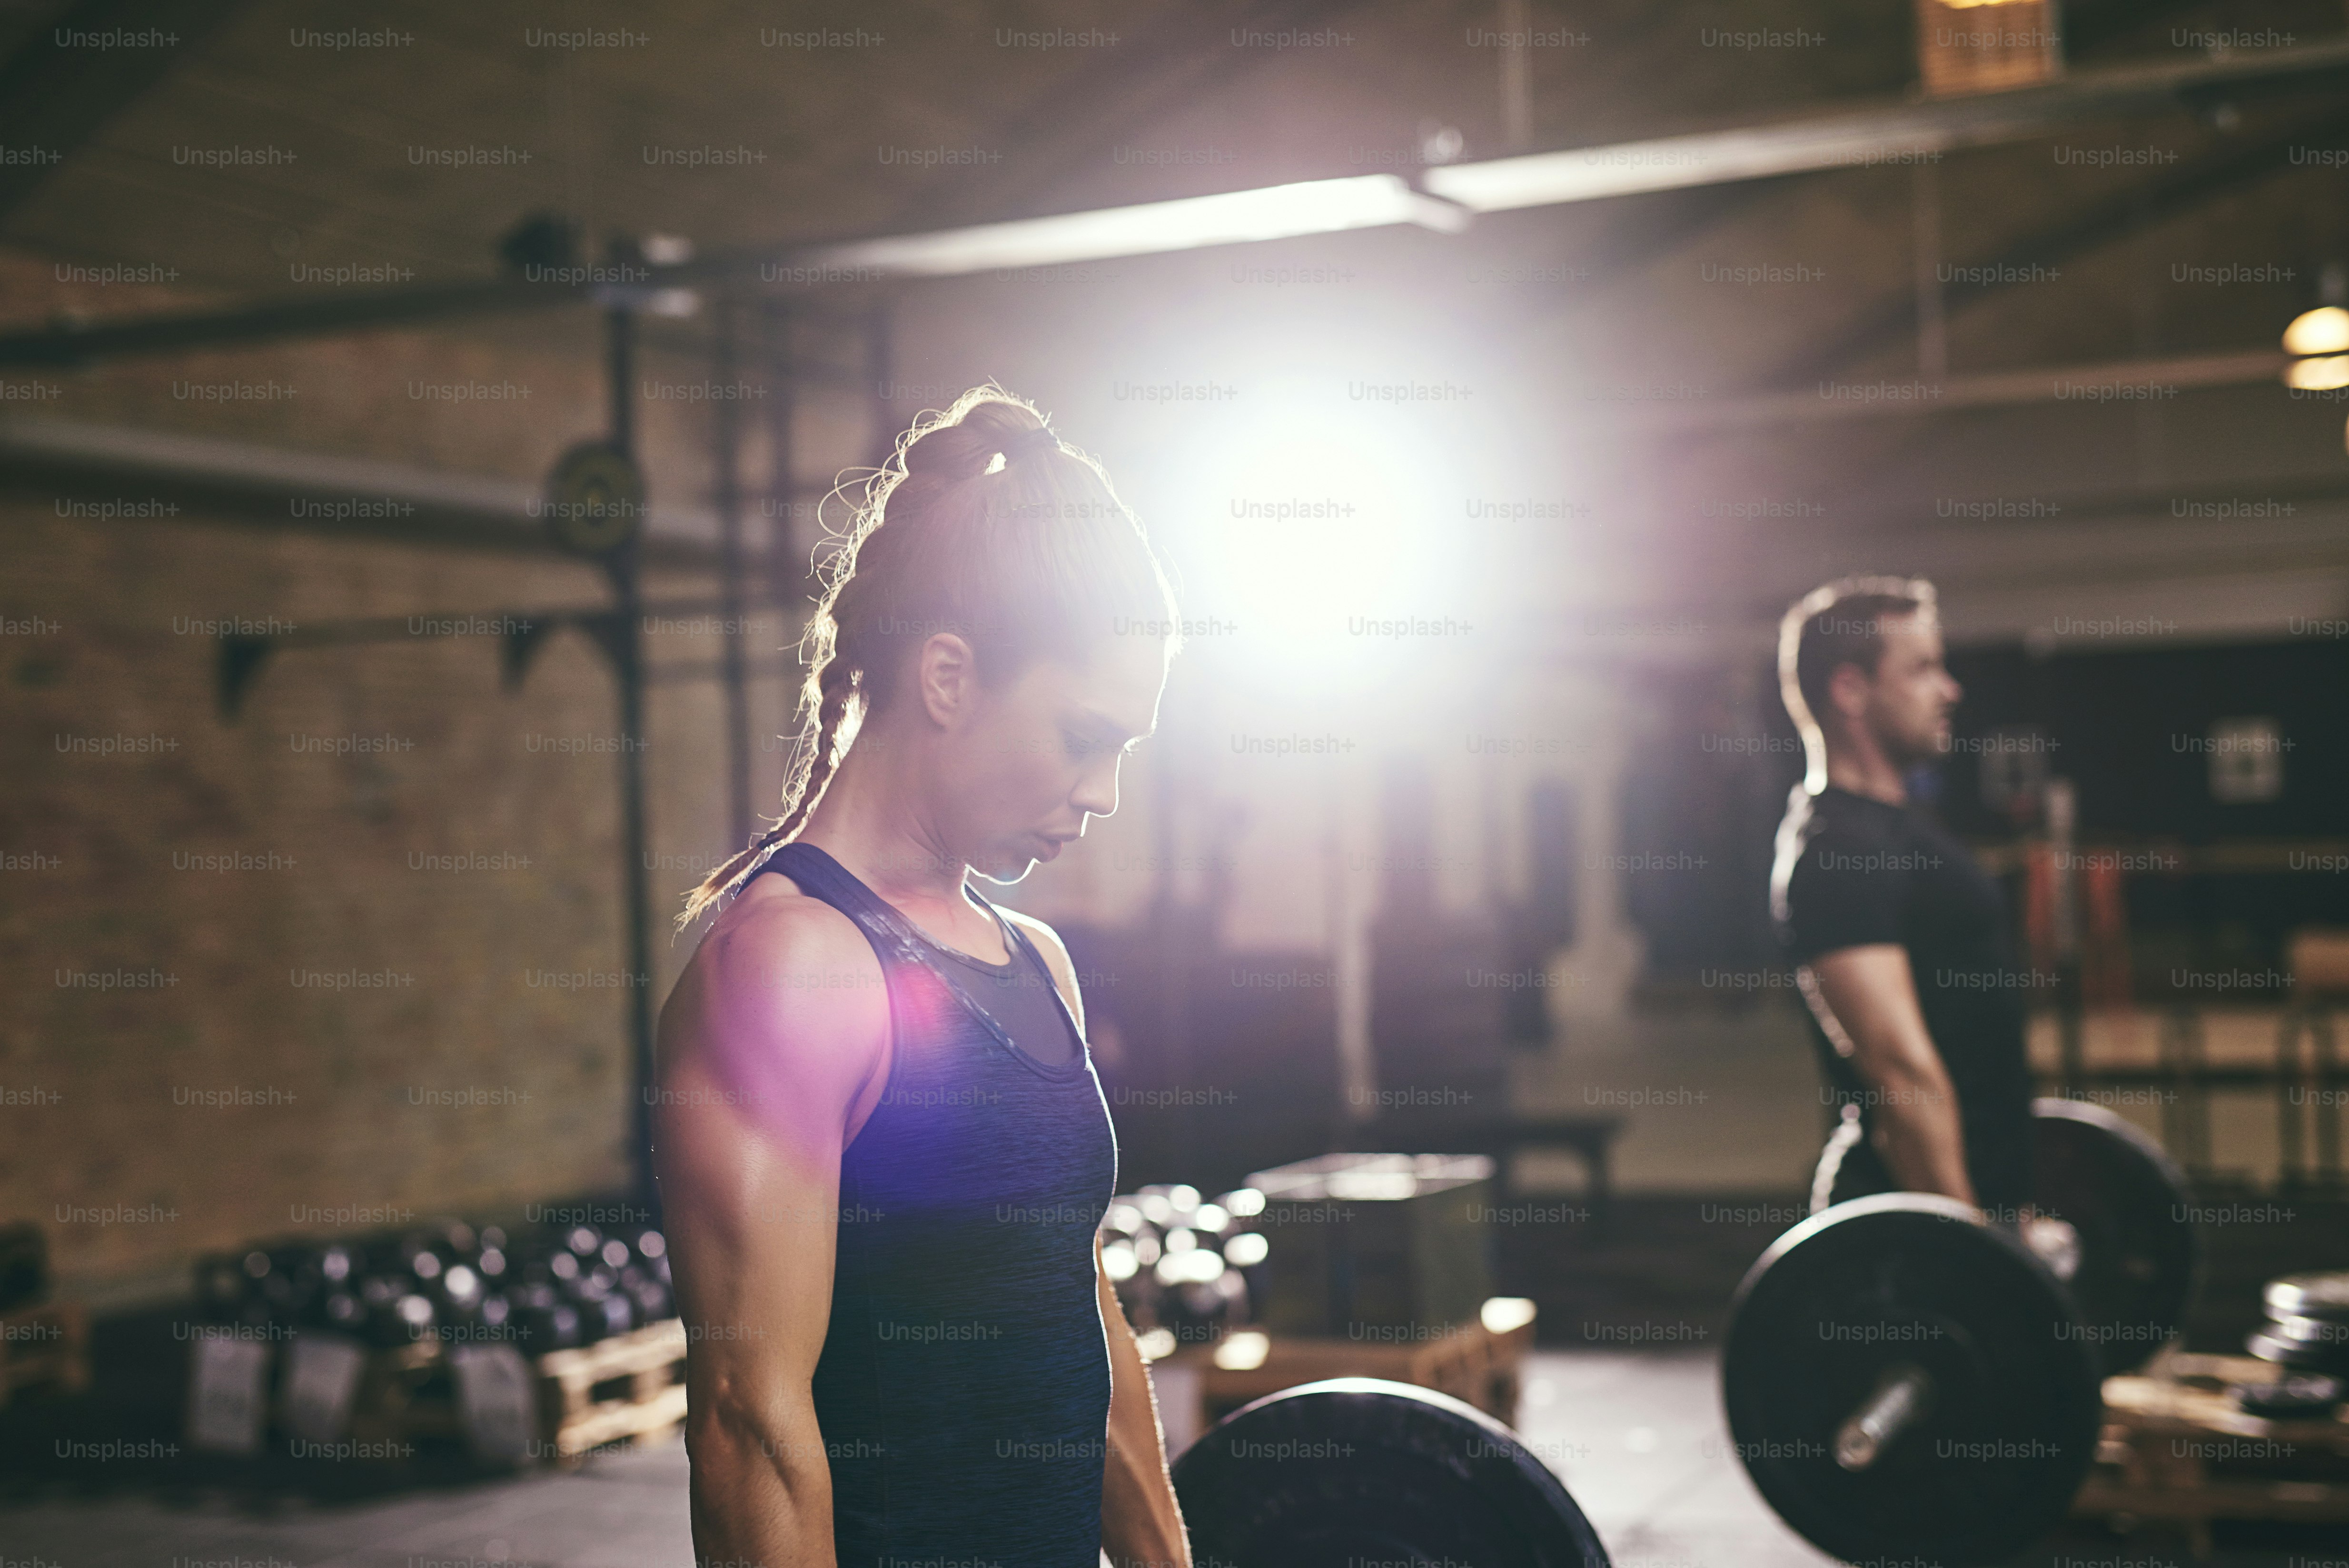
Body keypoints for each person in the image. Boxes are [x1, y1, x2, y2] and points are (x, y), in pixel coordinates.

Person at [653, 387, 1192, 1568]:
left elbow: (1073, 1313)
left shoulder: (1033, 960)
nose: (1102, 792)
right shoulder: (790, 969)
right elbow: (750, 1428)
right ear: (947, 679)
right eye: (1083, 737)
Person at [1769, 576, 2036, 1226]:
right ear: (1850, 690)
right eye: (1922, 669)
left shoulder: (1898, 823)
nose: (1950, 689)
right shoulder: (1837, 852)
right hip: (1912, 1229)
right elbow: (1900, 1073)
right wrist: (1970, 1249)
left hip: (1977, 1202)